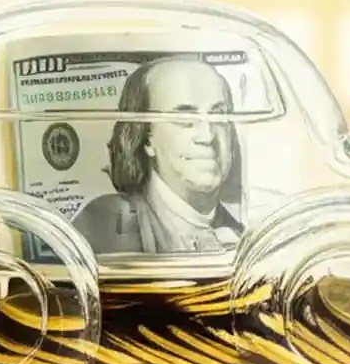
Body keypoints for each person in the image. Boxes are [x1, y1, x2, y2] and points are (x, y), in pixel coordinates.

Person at [72, 56, 243, 254]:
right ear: (146, 137)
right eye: (184, 117)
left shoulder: (247, 235)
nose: (207, 135)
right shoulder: (105, 223)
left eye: (218, 115)